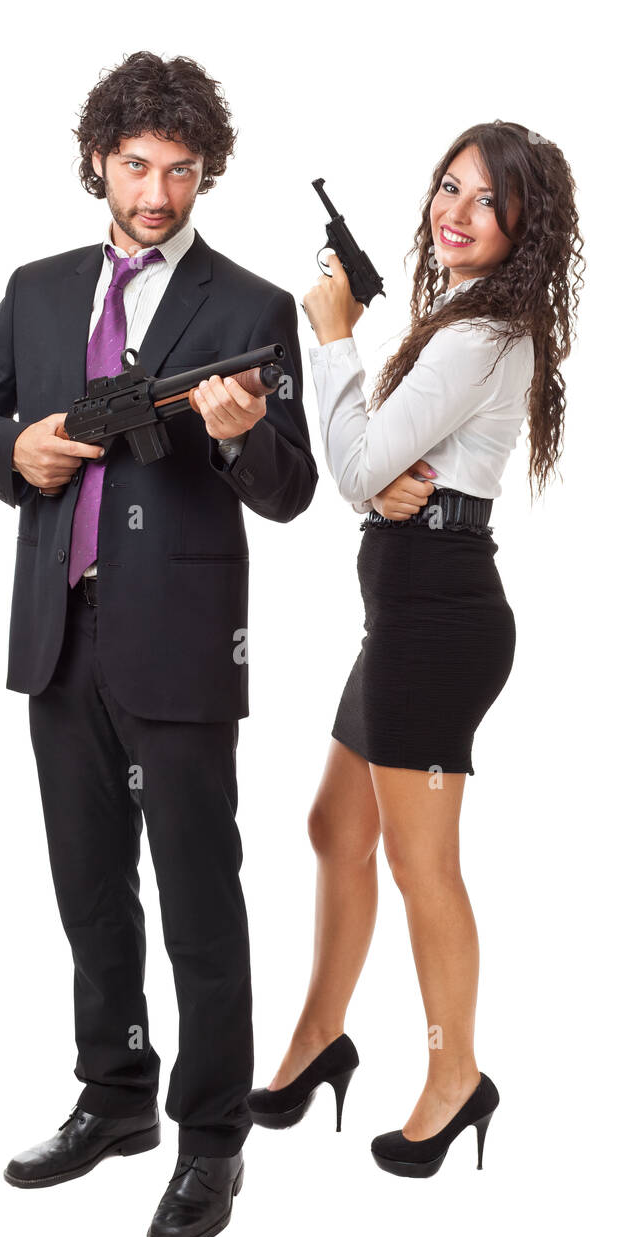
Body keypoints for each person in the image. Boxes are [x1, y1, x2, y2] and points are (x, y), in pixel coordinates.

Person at [0, 51, 317, 1237]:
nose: (157, 191)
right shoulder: (39, 290)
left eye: (181, 169)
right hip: (59, 631)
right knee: (90, 889)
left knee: (199, 898)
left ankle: (210, 1141)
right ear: (99, 159)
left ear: (207, 171)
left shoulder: (250, 309)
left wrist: (244, 440)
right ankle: (114, 1097)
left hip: (183, 636)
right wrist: (19, 449)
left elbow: (291, 487)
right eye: (138, 165)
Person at [248, 122, 584, 1177]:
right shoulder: (464, 323)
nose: (454, 211)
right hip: (407, 610)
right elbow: (368, 467)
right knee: (330, 825)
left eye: (483, 200)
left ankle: (455, 1075)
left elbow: (351, 466)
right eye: (447, 187)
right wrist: (378, 479)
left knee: (417, 861)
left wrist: (332, 335)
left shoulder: (478, 334)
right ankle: (318, 1041)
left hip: (436, 623)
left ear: (523, 225)